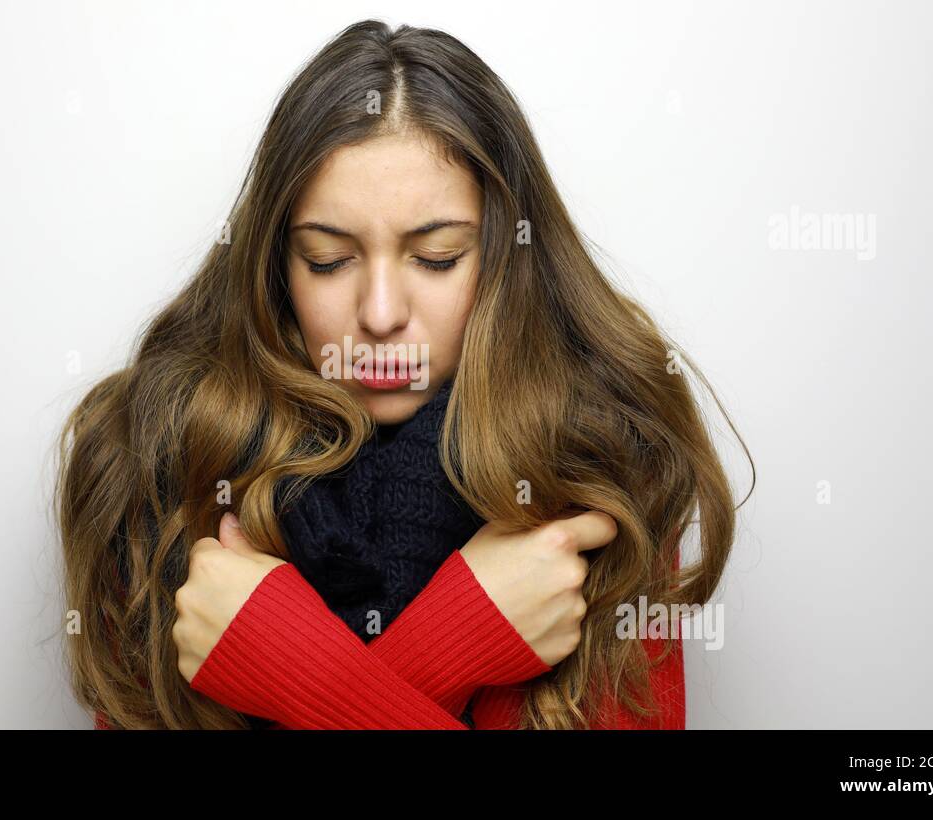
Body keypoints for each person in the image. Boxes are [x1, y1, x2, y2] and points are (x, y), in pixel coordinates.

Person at [56, 19, 748, 730]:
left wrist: (306, 676)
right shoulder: (163, 459)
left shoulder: (597, 466)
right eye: (328, 259)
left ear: (508, 257)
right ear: (273, 266)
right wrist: (455, 644)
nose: (381, 314)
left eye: (437, 257)